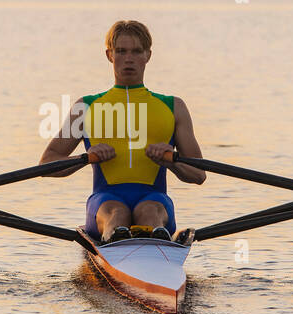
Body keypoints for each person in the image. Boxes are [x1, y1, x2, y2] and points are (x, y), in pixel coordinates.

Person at [39, 20, 205, 242]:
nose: (129, 58)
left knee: (149, 213)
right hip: (104, 201)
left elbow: (199, 174)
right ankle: (122, 239)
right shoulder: (85, 107)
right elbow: (46, 164)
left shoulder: (174, 107)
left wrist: (172, 162)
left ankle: (147, 240)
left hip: (156, 201)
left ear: (148, 55)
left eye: (137, 51)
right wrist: (85, 158)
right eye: (121, 51)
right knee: (118, 214)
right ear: (109, 55)